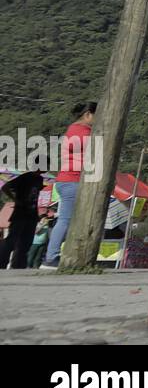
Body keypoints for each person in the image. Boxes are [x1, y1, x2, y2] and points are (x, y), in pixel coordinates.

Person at [42, 101, 96, 268]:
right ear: (88, 115)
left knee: (70, 220)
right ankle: (51, 257)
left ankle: (60, 255)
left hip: (68, 180)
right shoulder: (83, 132)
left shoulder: (75, 130)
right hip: (72, 180)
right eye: (97, 116)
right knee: (65, 220)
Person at [0, 172, 43, 269]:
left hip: (32, 215)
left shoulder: (39, 179)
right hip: (20, 213)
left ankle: (18, 265)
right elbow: (5, 187)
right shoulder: (25, 177)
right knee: (12, 240)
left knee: (26, 242)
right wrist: (15, 200)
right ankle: (2, 263)